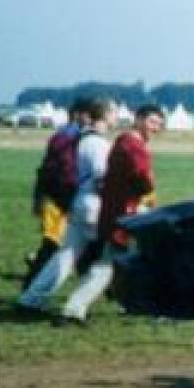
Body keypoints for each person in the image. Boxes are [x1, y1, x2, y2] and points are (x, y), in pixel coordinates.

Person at [59, 104, 164, 324]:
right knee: (118, 265)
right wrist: (147, 188)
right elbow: (144, 179)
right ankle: (75, 308)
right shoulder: (133, 146)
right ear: (138, 119)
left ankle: (79, 308)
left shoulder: (121, 142)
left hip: (116, 213)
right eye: (152, 122)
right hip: (126, 216)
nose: (156, 128)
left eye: (159, 124)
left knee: (111, 265)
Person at [17, 99, 114, 315]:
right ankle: (74, 308)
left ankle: (30, 299)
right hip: (95, 206)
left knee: (66, 256)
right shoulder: (99, 144)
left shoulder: (80, 139)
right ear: (105, 115)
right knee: (109, 260)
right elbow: (101, 178)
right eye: (113, 112)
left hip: (78, 203)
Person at [23, 100, 92, 288]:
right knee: (53, 243)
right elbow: (61, 171)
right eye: (88, 115)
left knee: (64, 243)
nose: (91, 119)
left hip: (57, 194)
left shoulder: (70, 135)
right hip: (57, 196)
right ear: (78, 114)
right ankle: (31, 284)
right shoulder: (68, 137)